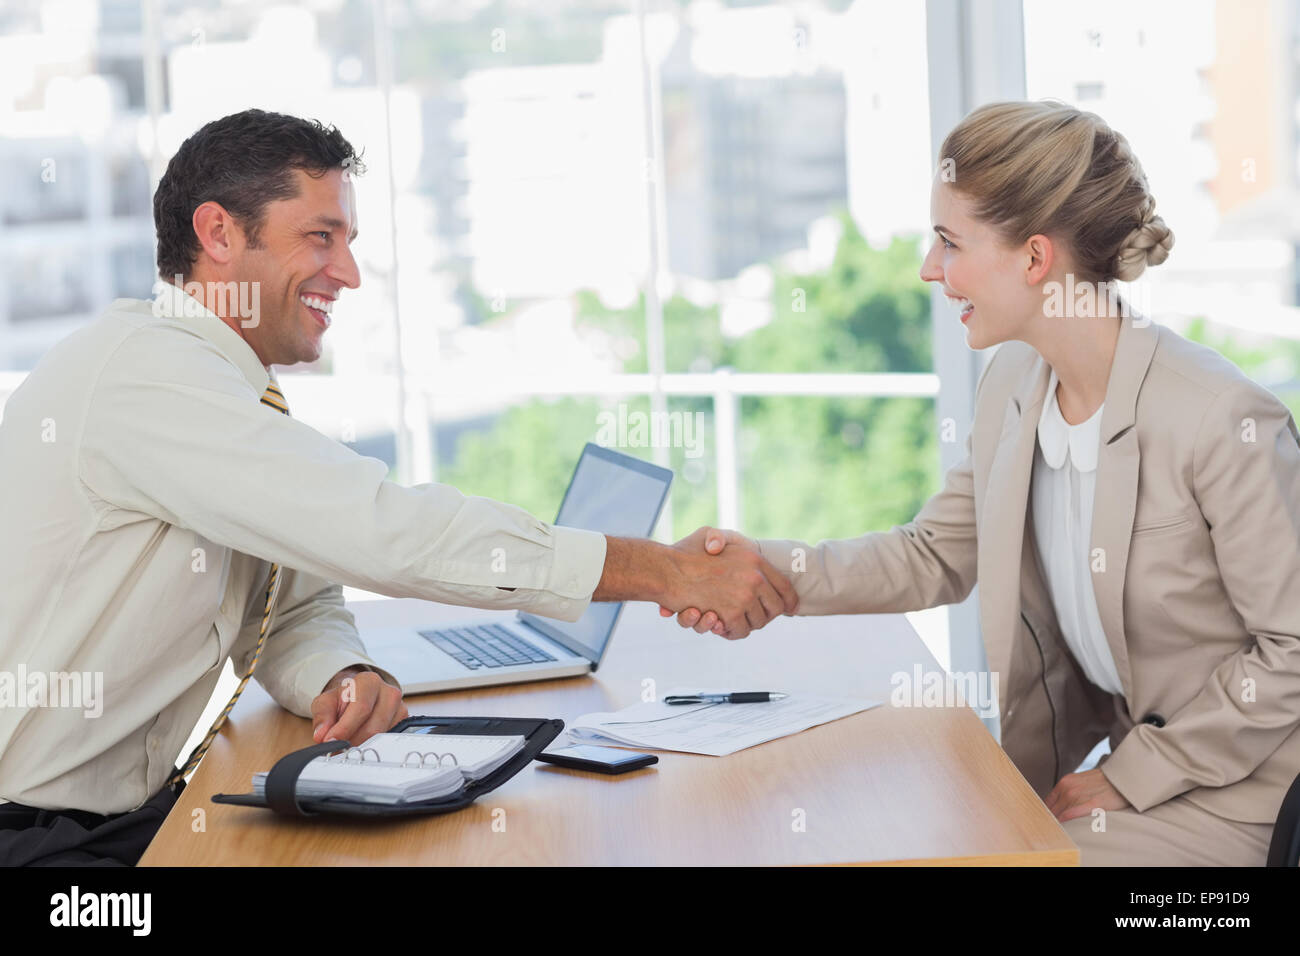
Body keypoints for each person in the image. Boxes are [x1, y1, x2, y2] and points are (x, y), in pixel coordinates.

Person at [0, 109, 798, 865]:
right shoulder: (148, 377)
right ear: (217, 233)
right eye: (321, 237)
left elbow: (295, 605)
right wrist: (664, 570)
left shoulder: (214, 394)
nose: (345, 272)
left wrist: (341, 676)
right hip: (31, 840)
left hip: (109, 821)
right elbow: (384, 529)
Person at [664, 100, 1300, 866]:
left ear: (1035, 259)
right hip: (1123, 780)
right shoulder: (1014, 385)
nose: (931, 269)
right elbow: (934, 554)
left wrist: (1135, 776)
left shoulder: (1219, 417)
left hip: (1244, 800)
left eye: (949, 242)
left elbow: (1294, 649)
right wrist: (769, 570)